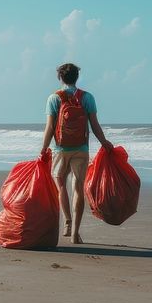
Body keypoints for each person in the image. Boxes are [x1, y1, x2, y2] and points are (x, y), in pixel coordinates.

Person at [41, 63, 113, 244]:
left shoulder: (54, 98)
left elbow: (50, 127)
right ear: (76, 77)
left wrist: (43, 148)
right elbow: (94, 125)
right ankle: (75, 233)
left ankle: (67, 221)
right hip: (81, 149)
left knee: (61, 186)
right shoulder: (87, 98)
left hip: (60, 149)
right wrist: (104, 143)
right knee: (78, 189)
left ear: (60, 77)